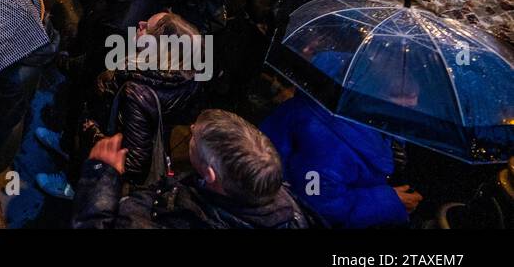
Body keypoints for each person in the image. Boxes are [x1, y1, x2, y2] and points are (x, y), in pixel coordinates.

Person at [73, 110, 311, 229]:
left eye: (195, 138)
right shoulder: (288, 208)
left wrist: (101, 178)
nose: (192, 128)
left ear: (210, 174)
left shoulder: (177, 220)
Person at [262, 91, 416, 228]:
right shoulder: (324, 145)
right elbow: (315, 201)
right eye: (398, 94)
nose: (414, 102)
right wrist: (388, 202)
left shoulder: (343, 92)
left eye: (414, 90)